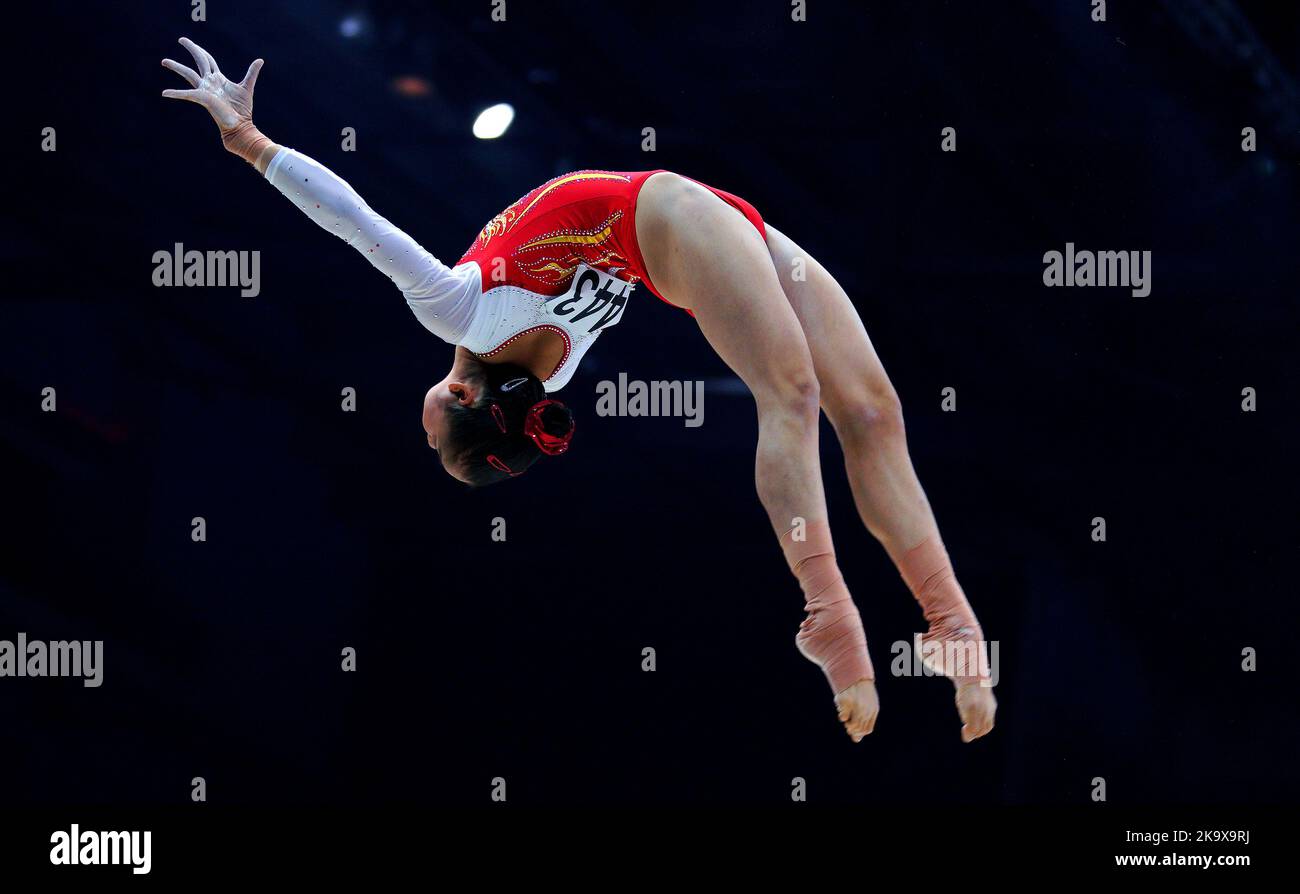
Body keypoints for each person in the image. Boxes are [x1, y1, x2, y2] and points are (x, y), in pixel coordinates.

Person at [162, 37, 997, 743]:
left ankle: (953, 628)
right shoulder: (459, 312)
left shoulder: (547, 370)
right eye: (429, 441)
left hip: (714, 221)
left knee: (870, 409)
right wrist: (249, 142)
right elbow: (354, 220)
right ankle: (829, 613)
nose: (415, 429)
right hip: (679, 222)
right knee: (793, 395)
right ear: (455, 406)